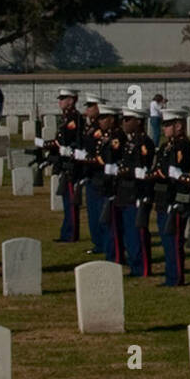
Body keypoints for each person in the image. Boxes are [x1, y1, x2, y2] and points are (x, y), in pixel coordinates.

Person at [150, 109, 190, 286]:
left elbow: (175, 173)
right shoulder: (167, 145)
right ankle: (170, 275)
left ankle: (175, 277)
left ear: (178, 126)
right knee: (166, 240)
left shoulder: (182, 146)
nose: (164, 128)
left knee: (173, 241)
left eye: (168, 125)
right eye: (164, 125)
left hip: (174, 197)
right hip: (163, 196)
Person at [117, 107, 155, 277]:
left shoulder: (144, 143)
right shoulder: (130, 142)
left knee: (137, 232)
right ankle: (134, 264)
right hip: (126, 192)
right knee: (129, 233)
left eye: (127, 119)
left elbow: (142, 170)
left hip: (137, 192)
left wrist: (126, 171)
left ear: (138, 121)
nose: (124, 123)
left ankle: (142, 267)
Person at [41, 87, 82, 242]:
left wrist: (47, 144)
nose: (60, 101)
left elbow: (65, 141)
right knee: (66, 200)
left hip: (70, 165)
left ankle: (71, 234)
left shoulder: (73, 118)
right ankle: (66, 232)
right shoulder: (66, 118)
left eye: (63, 98)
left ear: (71, 101)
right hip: (64, 164)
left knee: (71, 202)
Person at [77, 96, 108, 256]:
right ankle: (97, 242)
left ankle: (104, 242)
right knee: (92, 214)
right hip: (90, 173)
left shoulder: (100, 130)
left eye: (91, 106)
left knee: (100, 212)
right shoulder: (89, 128)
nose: (88, 110)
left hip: (99, 175)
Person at [95, 105, 124, 264]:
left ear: (111, 119)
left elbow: (113, 157)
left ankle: (116, 256)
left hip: (114, 183)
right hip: (106, 181)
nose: (100, 121)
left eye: (103, 118)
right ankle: (109, 252)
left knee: (113, 223)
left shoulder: (116, 137)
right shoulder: (107, 135)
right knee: (107, 221)